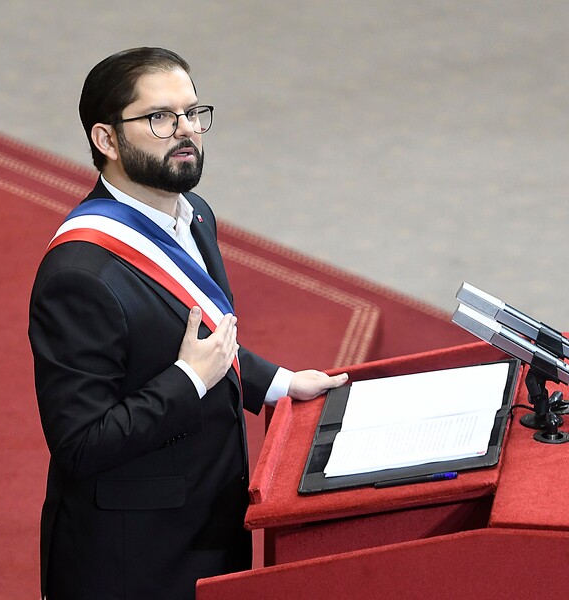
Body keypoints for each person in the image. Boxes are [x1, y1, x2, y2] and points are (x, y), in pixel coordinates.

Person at [28, 47, 348, 600]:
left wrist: (278, 384)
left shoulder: (195, 214)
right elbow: (80, 444)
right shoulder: (78, 276)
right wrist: (189, 380)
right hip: (132, 557)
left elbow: (202, 342)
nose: (185, 132)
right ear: (106, 140)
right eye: (159, 118)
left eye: (192, 113)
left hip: (211, 519)